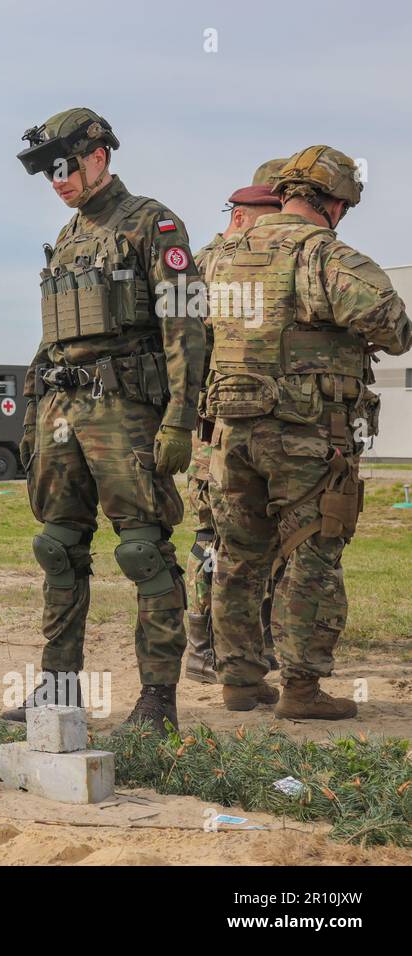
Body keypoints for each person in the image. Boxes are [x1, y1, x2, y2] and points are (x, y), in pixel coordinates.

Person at [8, 108, 205, 731]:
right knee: (58, 547)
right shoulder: (67, 238)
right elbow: (54, 336)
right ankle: (60, 687)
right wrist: (33, 413)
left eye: (65, 167)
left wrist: (180, 416)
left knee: (144, 550)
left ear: (99, 156)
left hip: (125, 411)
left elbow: (186, 323)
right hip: (62, 410)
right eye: (48, 173)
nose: (58, 181)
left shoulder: (154, 223)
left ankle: (156, 702)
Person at [205, 145, 411, 717]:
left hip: (229, 432)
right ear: (337, 203)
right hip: (305, 433)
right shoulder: (325, 254)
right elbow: (394, 327)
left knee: (238, 556)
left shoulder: (217, 256)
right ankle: (301, 689)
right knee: (312, 551)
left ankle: (241, 683)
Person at [184, 159, 285, 684]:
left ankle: (231, 645)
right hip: (219, 427)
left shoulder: (201, 263)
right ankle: (207, 644)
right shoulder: (217, 262)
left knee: (236, 538)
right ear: (245, 216)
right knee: (218, 537)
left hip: (217, 425)